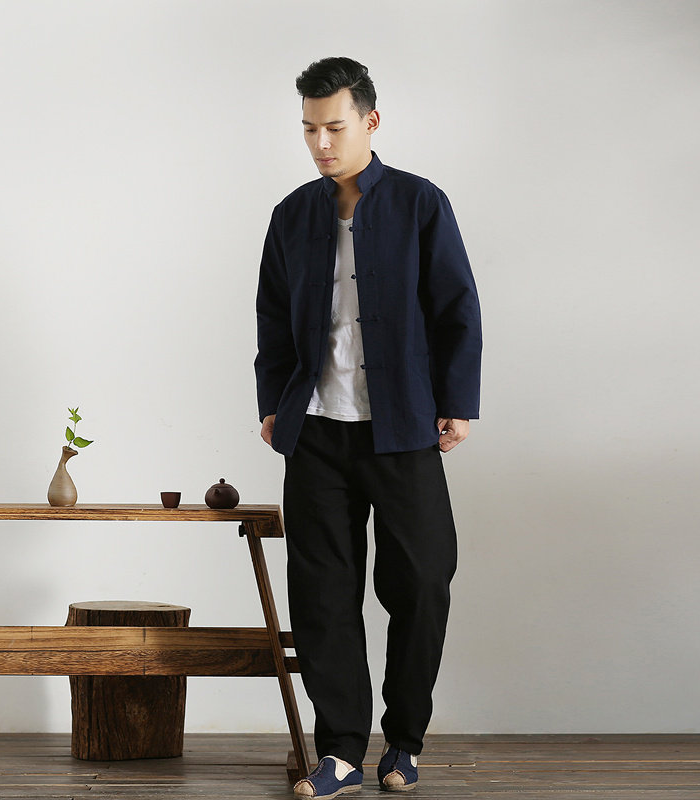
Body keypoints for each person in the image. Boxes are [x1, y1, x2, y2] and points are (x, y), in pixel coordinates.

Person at [255, 57, 481, 800]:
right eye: (309, 129)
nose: (321, 143)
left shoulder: (420, 203)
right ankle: (342, 752)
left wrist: (457, 400)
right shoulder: (292, 215)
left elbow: (457, 306)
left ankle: (404, 742)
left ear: (371, 121)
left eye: (334, 127)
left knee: (422, 581)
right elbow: (271, 317)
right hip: (317, 430)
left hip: (403, 425)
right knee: (323, 594)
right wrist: (272, 401)